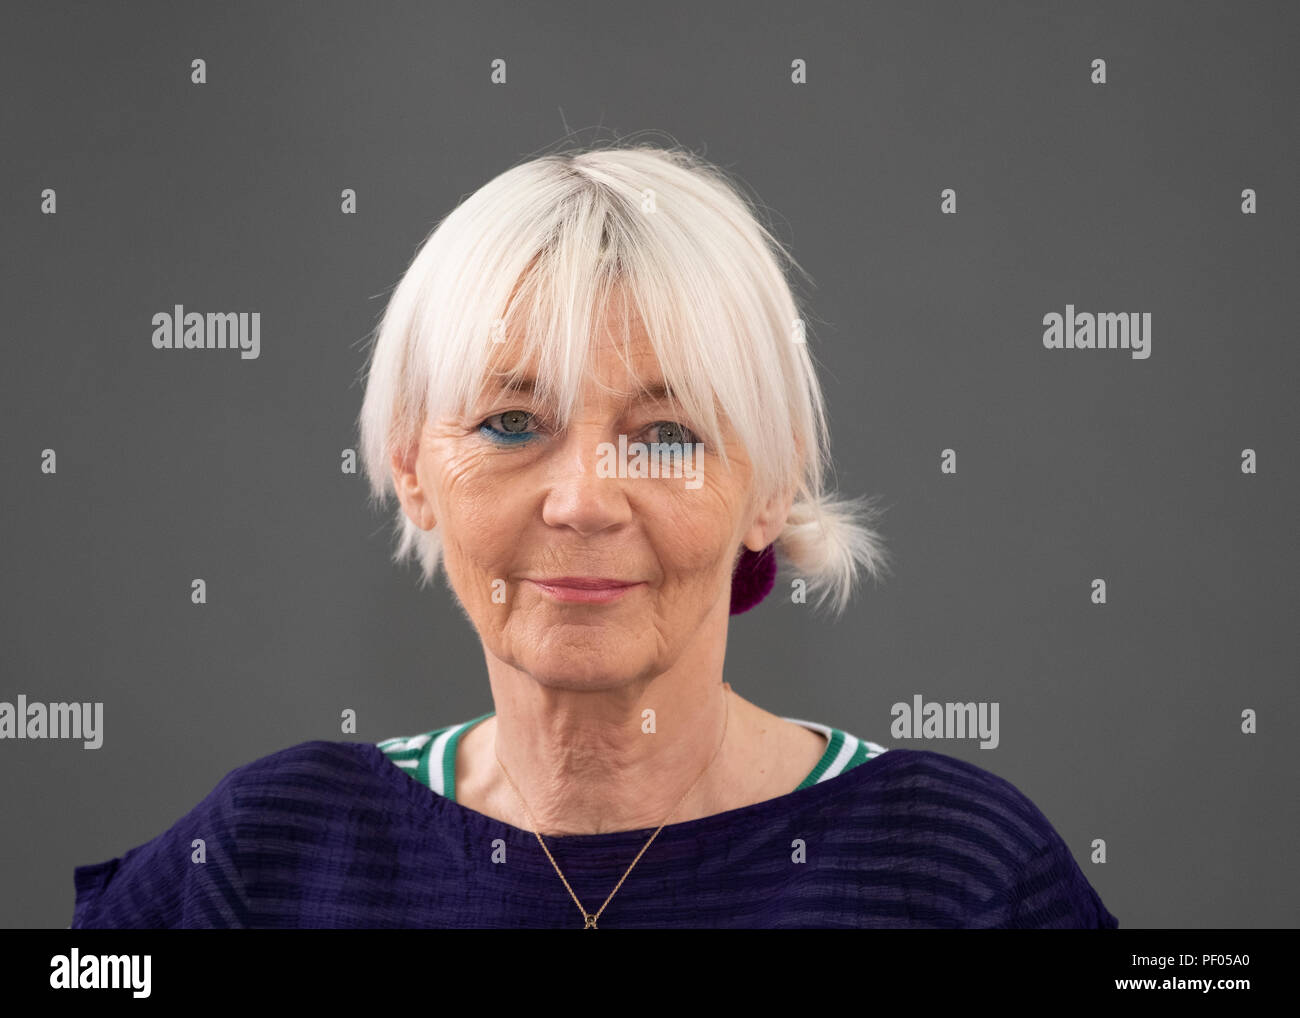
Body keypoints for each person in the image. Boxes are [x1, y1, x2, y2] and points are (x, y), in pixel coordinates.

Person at [70, 141, 1118, 929]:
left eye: (665, 435)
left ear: (774, 481)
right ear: (409, 465)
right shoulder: (272, 850)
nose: (582, 500)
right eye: (511, 422)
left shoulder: (955, 865)